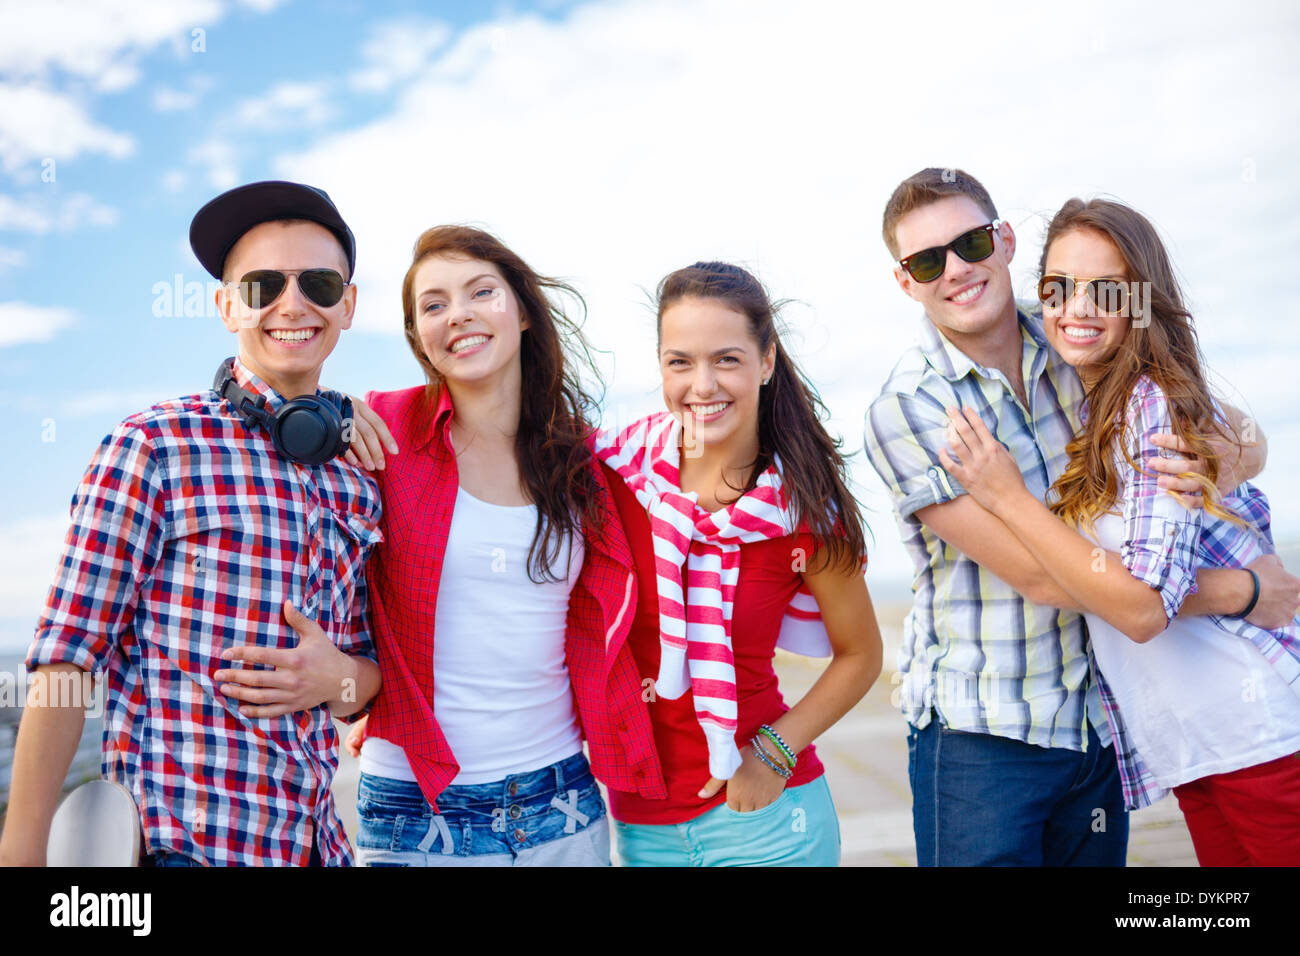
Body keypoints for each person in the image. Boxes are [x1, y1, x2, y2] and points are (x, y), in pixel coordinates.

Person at [862, 168, 1298, 866]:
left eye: (971, 242)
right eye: (926, 260)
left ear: (1004, 242)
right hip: (986, 734)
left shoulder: (1077, 338)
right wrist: (1243, 592)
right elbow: (1040, 576)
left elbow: (1214, 418)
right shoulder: (910, 410)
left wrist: (1230, 451)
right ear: (905, 281)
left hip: (1096, 723)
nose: (955, 269)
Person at [0, 181, 381, 867]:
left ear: (348, 305)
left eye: (319, 283)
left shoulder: (357, 478)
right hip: (178, 853)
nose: (292, 303)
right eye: (263, 285)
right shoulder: (153, 446)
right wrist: (20, 856)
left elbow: (362, 685)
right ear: (226, 305)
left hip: (320, 851)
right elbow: (65, 661)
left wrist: (340, 679)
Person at [342, 225, 664, 866]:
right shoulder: (380, 430)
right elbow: (260, 427)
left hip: (562, 800)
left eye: (480, 291)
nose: (457, 313)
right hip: (417, 806)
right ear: (420, 342)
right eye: (432, 305)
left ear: (520, 310)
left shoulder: (583, 461)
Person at [595, 261, 882, 866]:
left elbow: (860, 655)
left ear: (767, 361)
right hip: (642, 828)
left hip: (770, 822)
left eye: (726, 359)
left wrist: (774, 754)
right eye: (680, 362)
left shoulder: (802, 507)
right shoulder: (612, 478)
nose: (702, 385)